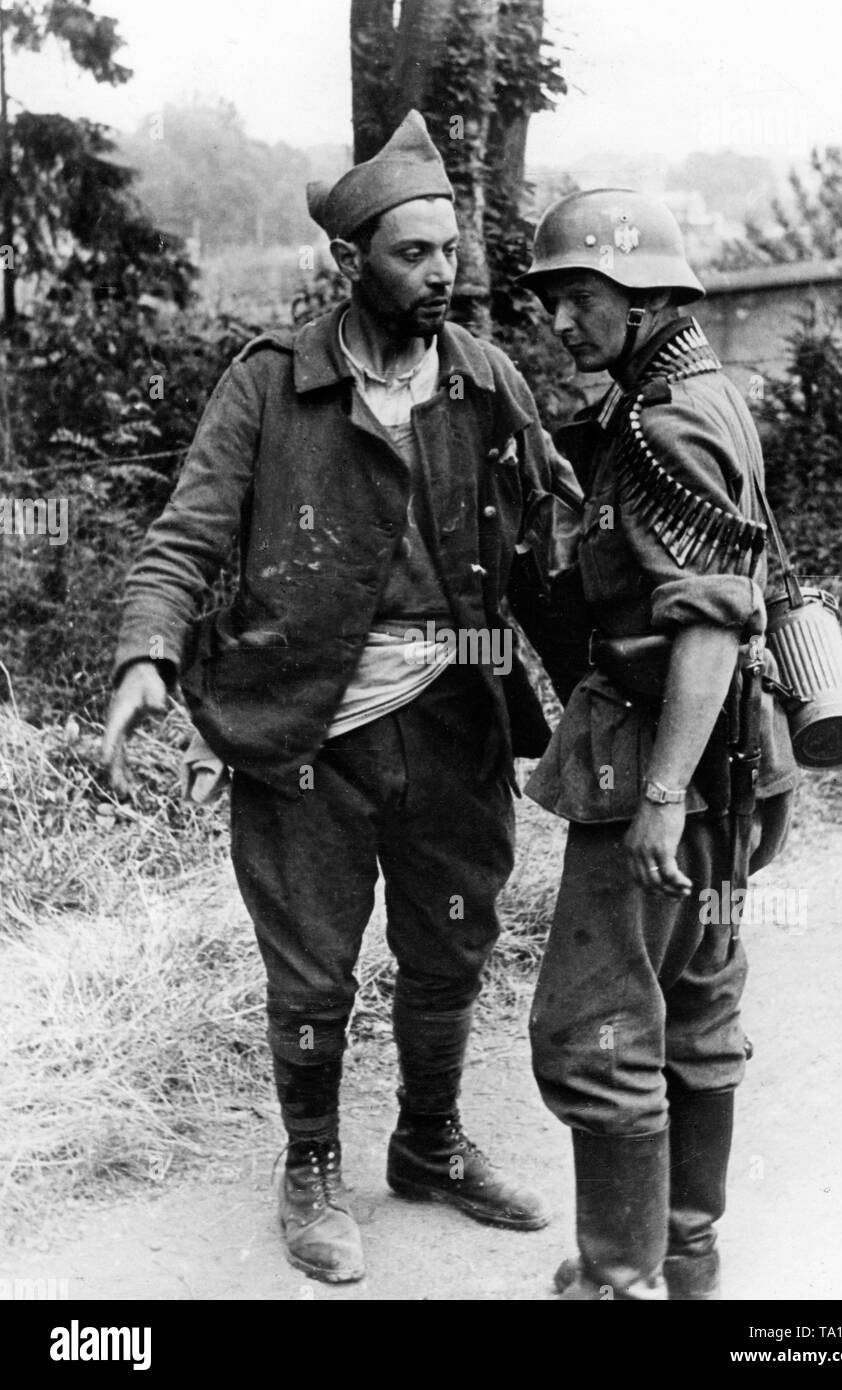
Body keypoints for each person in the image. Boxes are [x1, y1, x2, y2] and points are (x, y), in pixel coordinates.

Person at [102, 111, 581, 1286]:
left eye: (452, 251)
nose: (443, 274)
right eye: (415, 254)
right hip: (303, 725)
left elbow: (556, 542)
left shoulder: (485, 379)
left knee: (453, 943)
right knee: (311, 968)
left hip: (456, 719)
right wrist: (144, 656)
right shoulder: (270, 387)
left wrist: (621, 672)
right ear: (349, 259)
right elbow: (186, 536)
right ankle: (310, 1162)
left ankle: (428, 1142)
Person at [517, 188, 800, 1300]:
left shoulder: (659, 421)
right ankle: (685, 1259)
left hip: (662, 756)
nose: (563, 324)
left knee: (594, 1023)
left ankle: (619, 1279)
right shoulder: (705, 390)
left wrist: (664, 794)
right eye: (554, 302)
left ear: (643, 297)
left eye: (581, 298)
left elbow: (705, 616)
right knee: (697, 1000)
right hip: (739, 756)